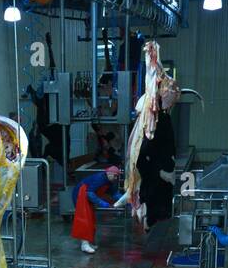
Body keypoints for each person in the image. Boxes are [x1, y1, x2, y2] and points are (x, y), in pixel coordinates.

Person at [132, 86, 179, 228]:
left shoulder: (161, 118)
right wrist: (160, 170)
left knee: (159, 208)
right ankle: (150, 224)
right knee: (158, 212)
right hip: (157, 174)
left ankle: (150, 221)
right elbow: (145, 150)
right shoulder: (158, 119)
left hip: (160, 172)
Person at [70, 166, 122, 254]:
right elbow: (89, 193)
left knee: (91, 219)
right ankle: (84, 244)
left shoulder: (111, 181)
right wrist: (102, 203)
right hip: (81, 194)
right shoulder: (100, 178)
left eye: (117, 176)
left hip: (87, 195)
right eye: (115, 176)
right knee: (85, 219)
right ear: (108, 174)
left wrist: (127, 200)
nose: (116, 178)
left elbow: (114, 194)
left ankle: (88, 242)